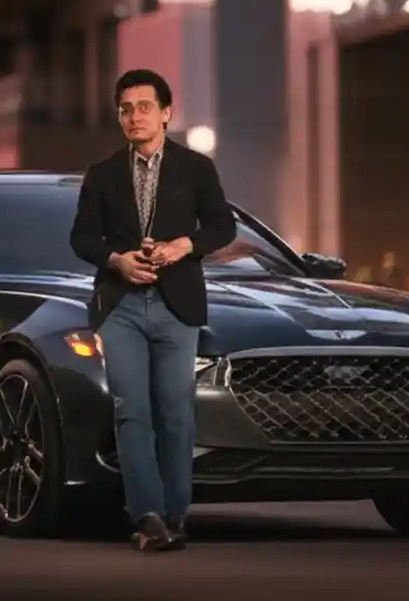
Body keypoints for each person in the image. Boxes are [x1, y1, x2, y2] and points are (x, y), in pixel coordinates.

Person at [69, 68, 236, 551]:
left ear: (166, 113)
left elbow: (222, 226)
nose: (134, 115)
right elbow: (81, 237)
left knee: (176, 413)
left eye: (144, 106)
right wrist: (117, 260)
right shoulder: (102, 175)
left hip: (176, 304)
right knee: (130, 411)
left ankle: (175, 514)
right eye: (125, 108)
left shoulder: (196, 168)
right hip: (120, 306)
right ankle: (146, 518)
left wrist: (185, 245)